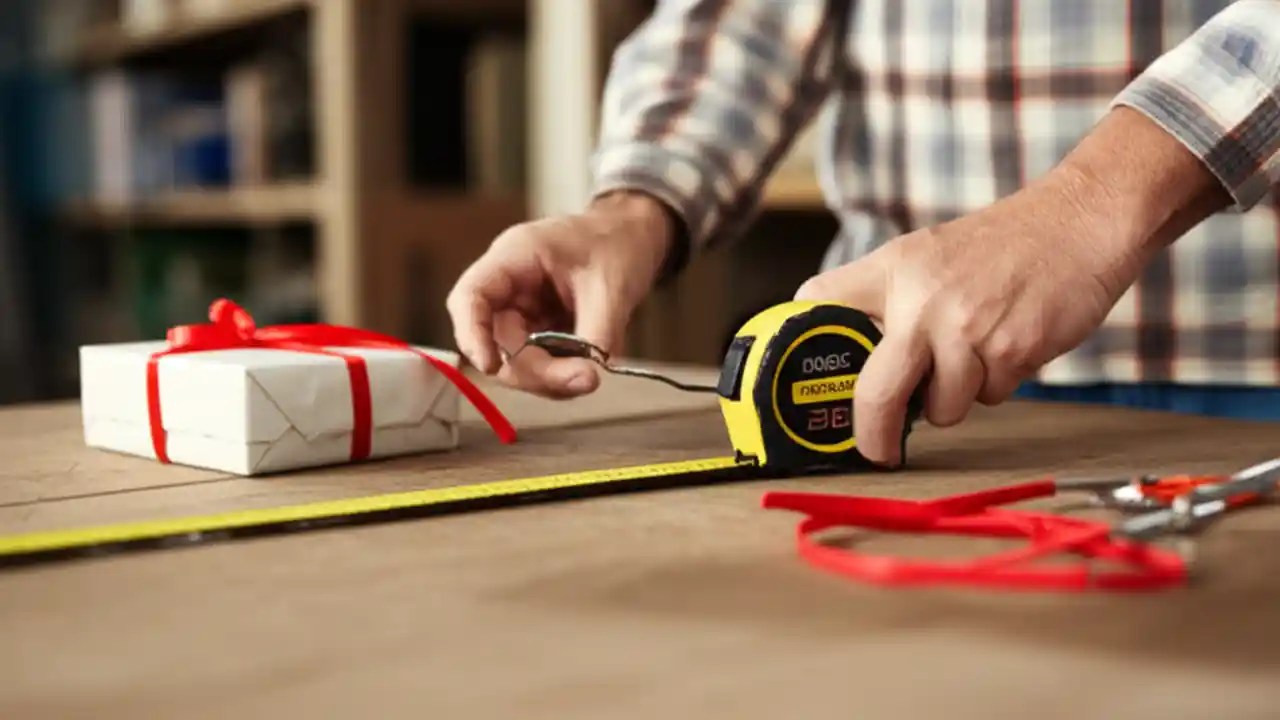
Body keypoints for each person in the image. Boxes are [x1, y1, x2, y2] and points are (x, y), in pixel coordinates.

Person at [447, 1, 1280, 468]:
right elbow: (743, 21)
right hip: (898, 395)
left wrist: (1087, 208)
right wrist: (634, 208)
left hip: (1254, 377)